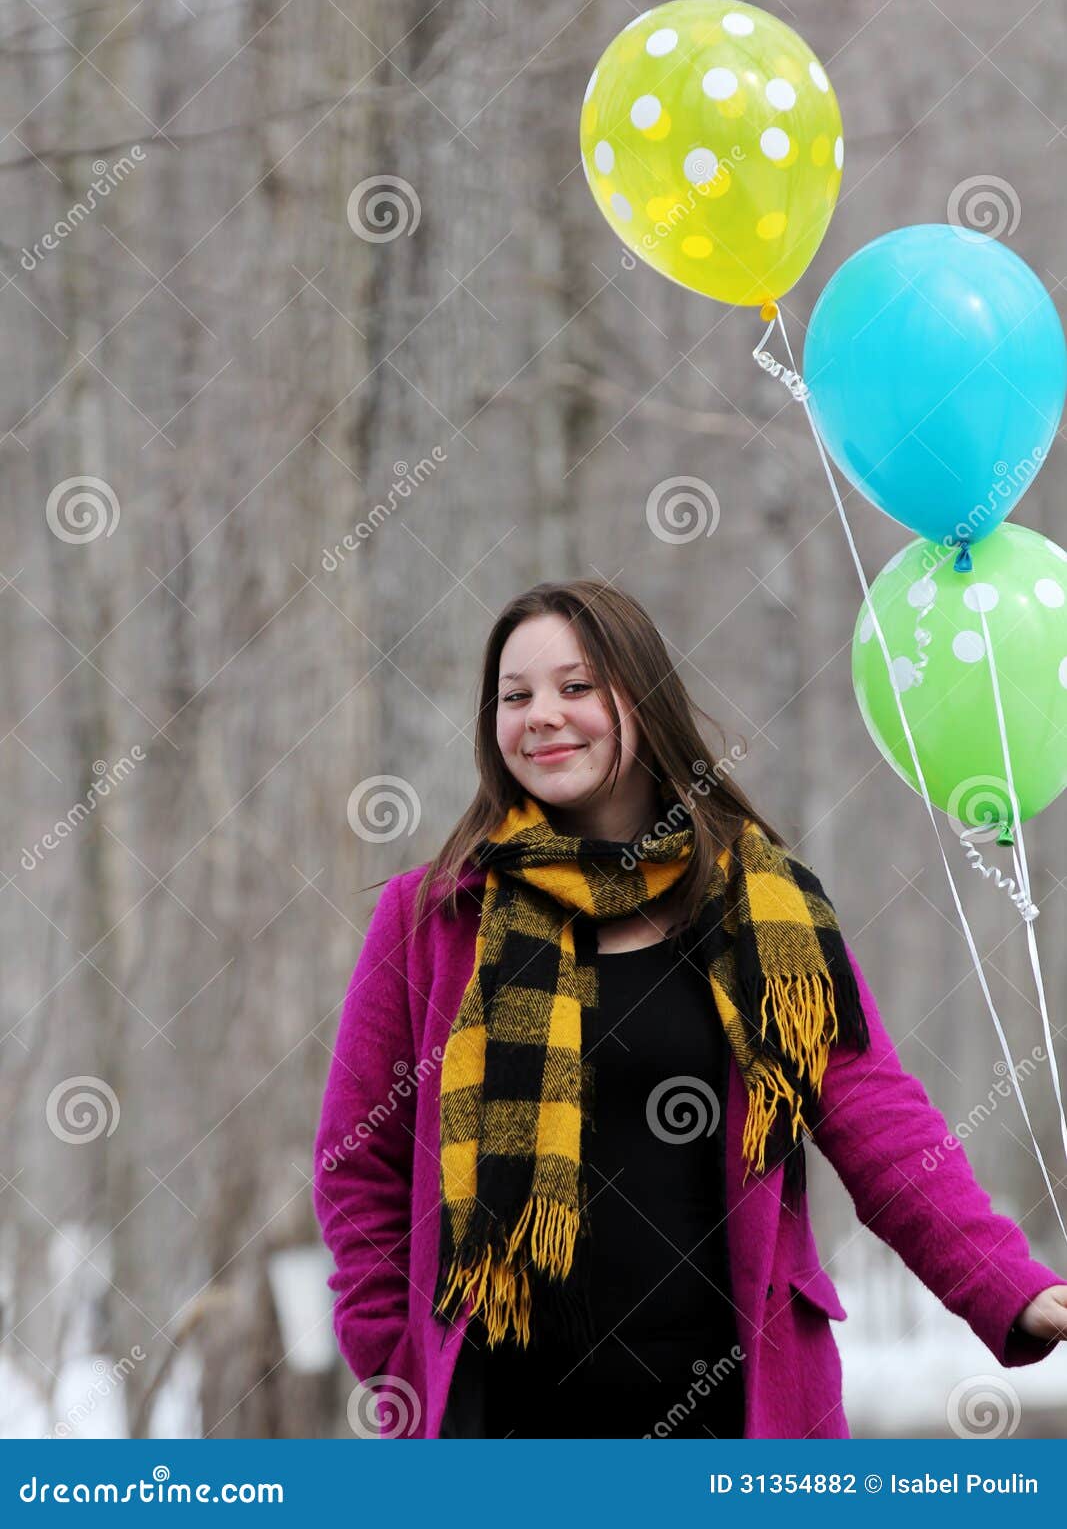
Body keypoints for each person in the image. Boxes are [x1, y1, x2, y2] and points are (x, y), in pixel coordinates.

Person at [313, 578, 1067, 1439]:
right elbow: (355, 1172)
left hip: (727, 1405)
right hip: (503, 1419)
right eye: (513, 697)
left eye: (575, 687)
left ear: (641, 699)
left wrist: (1012, 1286)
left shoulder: (763, 906)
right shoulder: (435, 918)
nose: (541, 716)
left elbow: (876, 1120)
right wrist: (398, 1362)